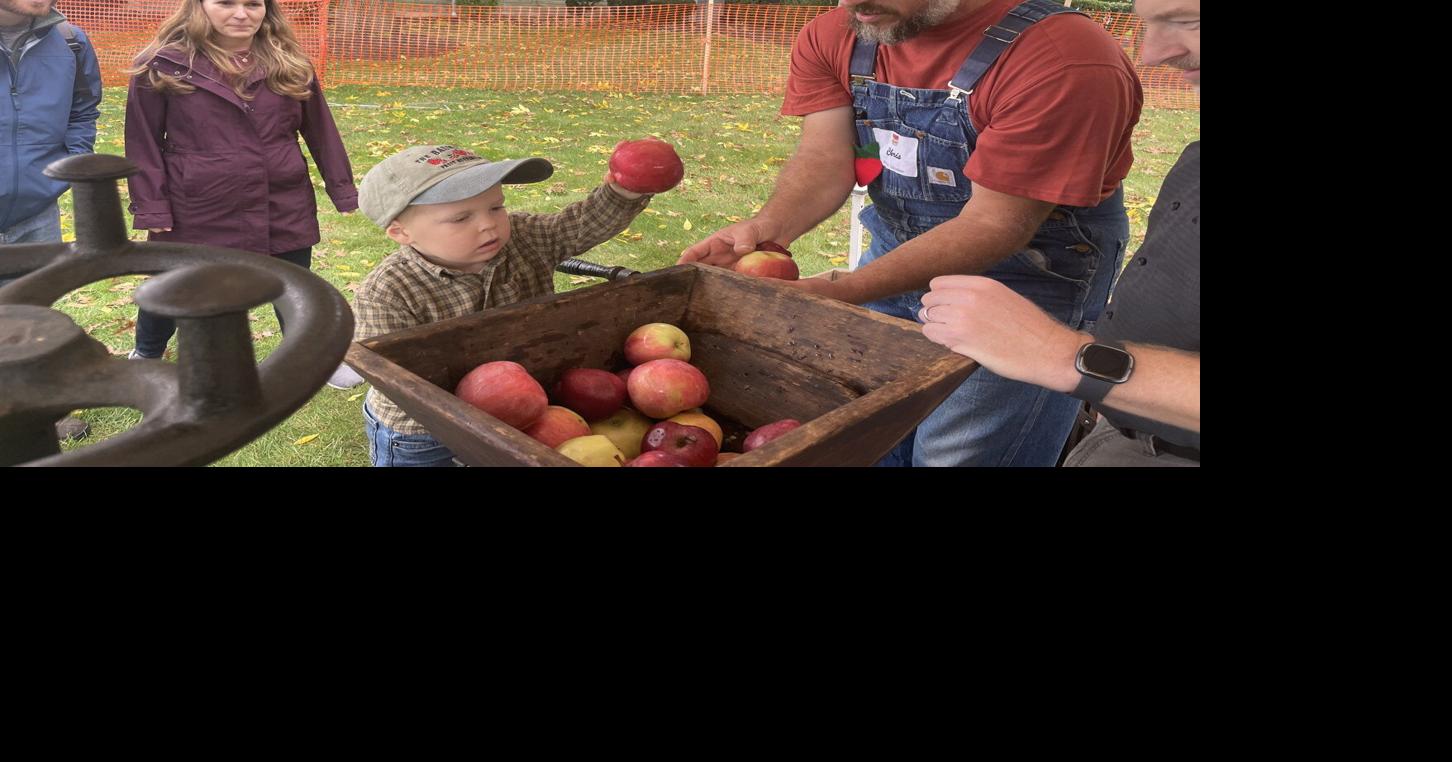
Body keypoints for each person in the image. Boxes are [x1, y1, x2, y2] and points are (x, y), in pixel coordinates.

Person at [680, 0, 1141, 467]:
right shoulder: (841, 31)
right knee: (869, 435)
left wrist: (846, 291)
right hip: (892, 253)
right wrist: (767, 228)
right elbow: (825, 159)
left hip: (1024, 278)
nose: (853, 4)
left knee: (956, 456)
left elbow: (995, 223)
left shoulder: (1062, 58)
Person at [918, 0, 1199, 466]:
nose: (1151, 54)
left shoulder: (1066, 59)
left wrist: (1062, 354)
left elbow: (996, 223)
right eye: (1148, 24)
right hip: (1127, 434)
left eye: (1188, 21)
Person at [353, 144, 664, 467]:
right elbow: (394, 374)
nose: (488, 224)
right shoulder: (388, 293)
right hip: (425, 430)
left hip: (517, 403)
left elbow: (579, 225)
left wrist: (623, 192)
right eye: (461, 218)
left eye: (496, 207)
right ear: (401, 232)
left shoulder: (524, 238)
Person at [124, 0, 360, 389]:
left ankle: (312, 357)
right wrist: (152, 206)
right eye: (226, 2)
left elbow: (321, 129)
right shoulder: (163, 65)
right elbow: (142, 141)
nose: (241, 13)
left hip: (280, 197)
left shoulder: (289, 62)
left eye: (253, 4)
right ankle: (147, 353)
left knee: (294, 282)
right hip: (197, 200)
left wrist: (342, 188)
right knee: (175, 282)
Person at [1, 0, 102, 440]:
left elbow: (84, 108)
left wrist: (66, 166)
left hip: (36, 207)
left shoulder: (70, 41)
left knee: (30, 312)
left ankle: (34, 407)